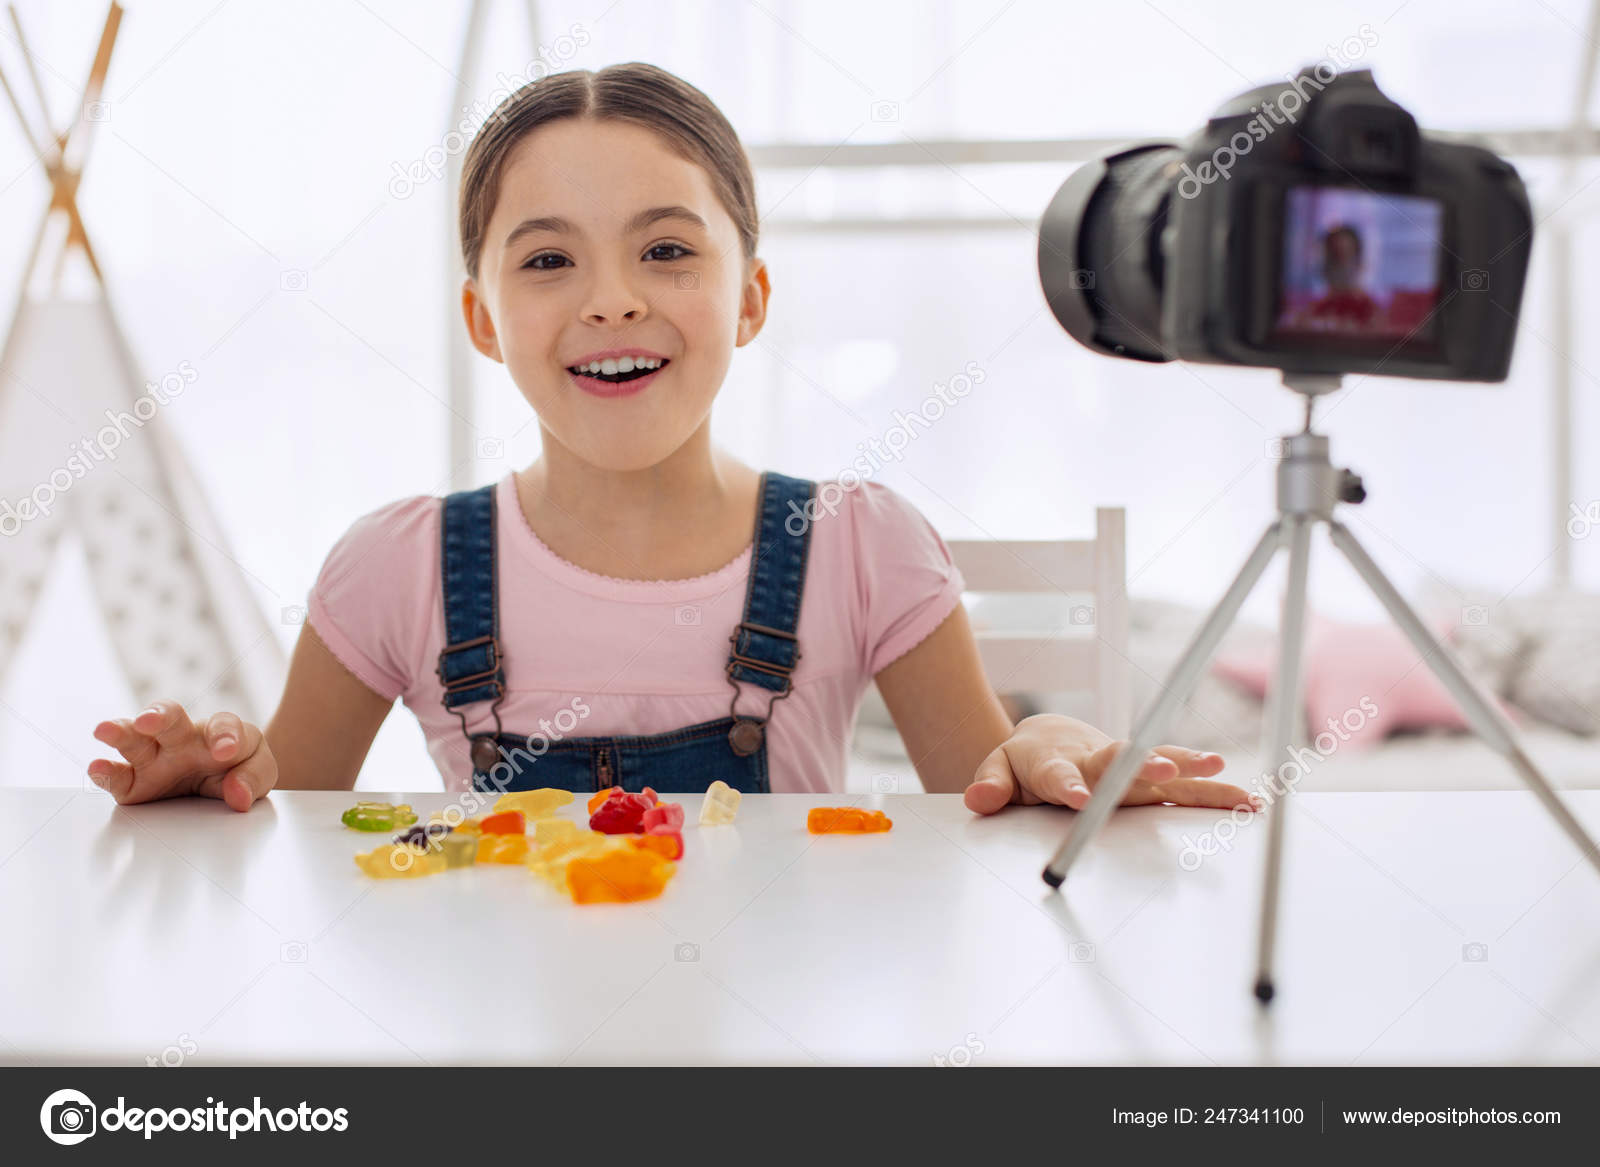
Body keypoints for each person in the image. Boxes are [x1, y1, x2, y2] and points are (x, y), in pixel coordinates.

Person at [86, 63, 1255, 820]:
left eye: (665, 251)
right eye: (549, 260)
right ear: (484, 320)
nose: (610, 302)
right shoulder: (394, 566)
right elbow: (285, 816)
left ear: (748, 298)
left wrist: (1043, 740)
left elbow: (985, 791)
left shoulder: (856, 543)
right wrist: (214, 781)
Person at [1297, 224, 1380, 330]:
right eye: (1335, 256)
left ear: (1360, 262)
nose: (1342, 265)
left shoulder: (1371, 310)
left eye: (1347, 255)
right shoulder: (1312, 309)